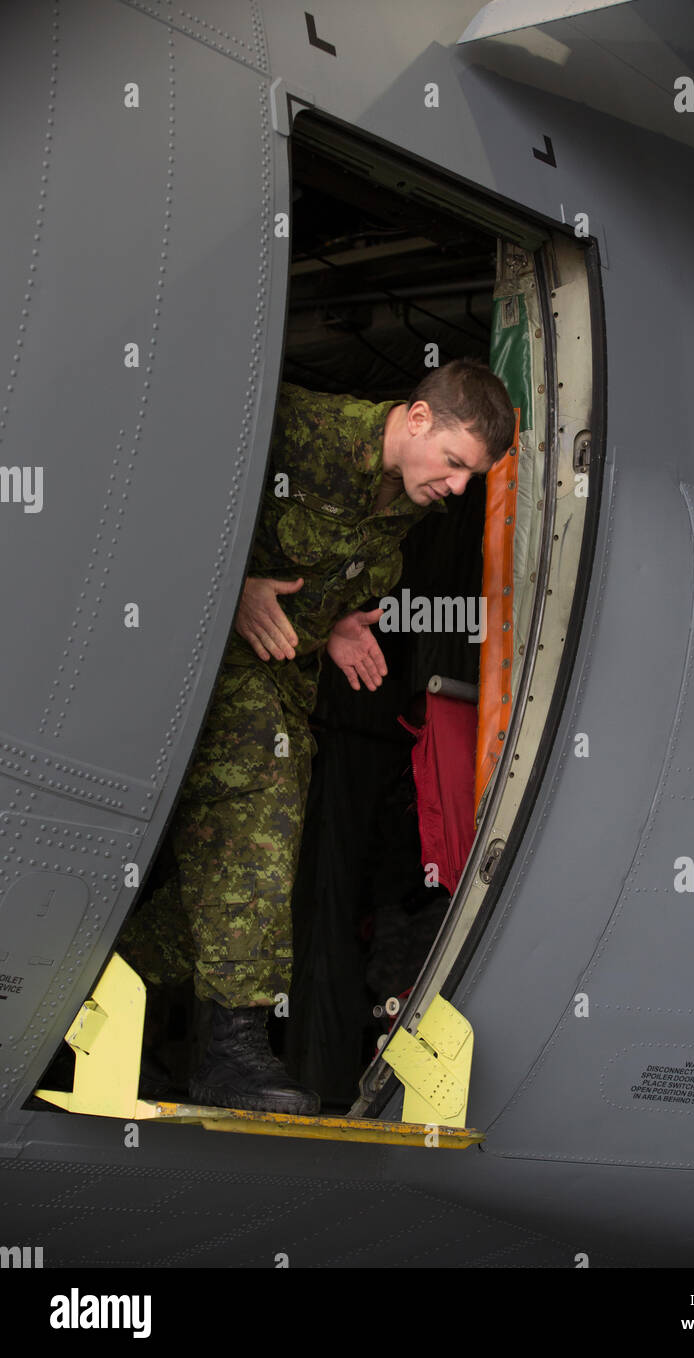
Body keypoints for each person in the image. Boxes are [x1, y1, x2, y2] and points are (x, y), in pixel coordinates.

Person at [118, 358, 515, 1114]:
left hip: (277, 682)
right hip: (197, 657)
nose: (459, 488)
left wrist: (330, 627)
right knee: (254, 826)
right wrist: (226, 580)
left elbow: (315, 574)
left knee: (251, 874)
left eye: (474, 477)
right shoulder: (298, 427)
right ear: (420, 419)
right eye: (457, 464)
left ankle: (102, 982)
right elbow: (158, 468)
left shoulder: (405, 501)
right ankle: (231, 1052)